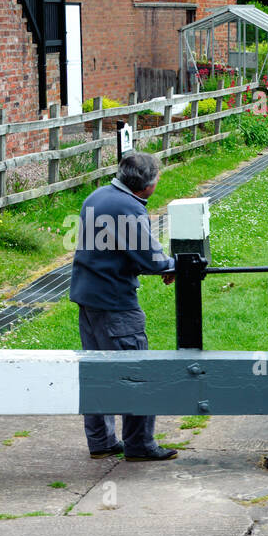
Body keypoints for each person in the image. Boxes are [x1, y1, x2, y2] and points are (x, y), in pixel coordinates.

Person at [70, 152, 179, 462]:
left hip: (88, 297)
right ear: (147, 185)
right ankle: (139, 445)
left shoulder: (98, 196)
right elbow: (150, 259)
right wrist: (177, 265)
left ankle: (102, 441)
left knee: (97, 371)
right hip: (115, 303)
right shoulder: (128, 208)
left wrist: (158, 265)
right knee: (137, 372)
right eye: (157, 177)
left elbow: (120, 251)